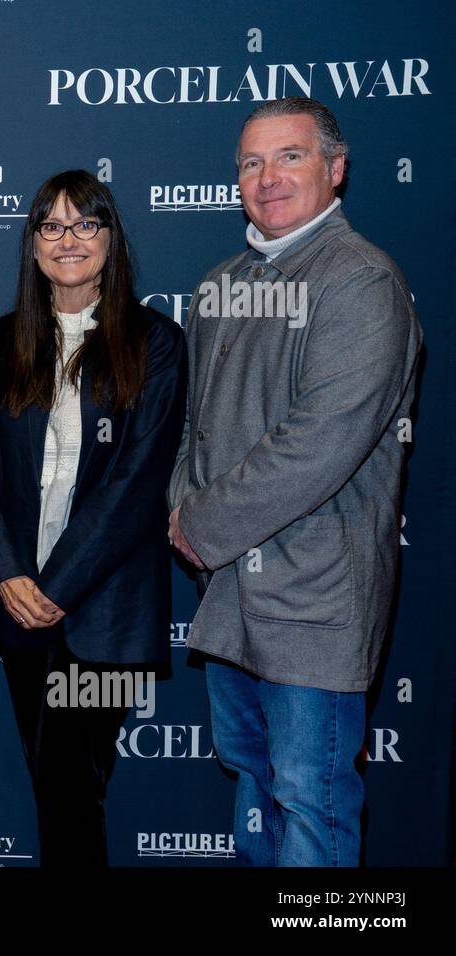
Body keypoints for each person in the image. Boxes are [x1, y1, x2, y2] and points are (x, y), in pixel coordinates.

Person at [168, 97, 422, 866]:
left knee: (311, 803)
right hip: (231, 599)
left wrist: (198, 526)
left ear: (335, 170)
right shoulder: (221, 282)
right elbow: (195, 427)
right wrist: (180, 507)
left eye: (289, 156)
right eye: (251, 162)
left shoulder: (361, 281)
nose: (267, 177)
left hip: (315, 602)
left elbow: (321, 442)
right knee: (254, 792)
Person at [0, 170, 186, 867]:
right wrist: (9, 572)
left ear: (110, 237)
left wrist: (56, 587)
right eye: (52, 226)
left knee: (71, 786)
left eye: (86, 224)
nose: (69, 240)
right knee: (55, 788)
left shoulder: (156, 341)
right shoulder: (0, 343)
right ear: (33, 243)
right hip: (18, 603)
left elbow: (135, 482)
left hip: (108, 610)